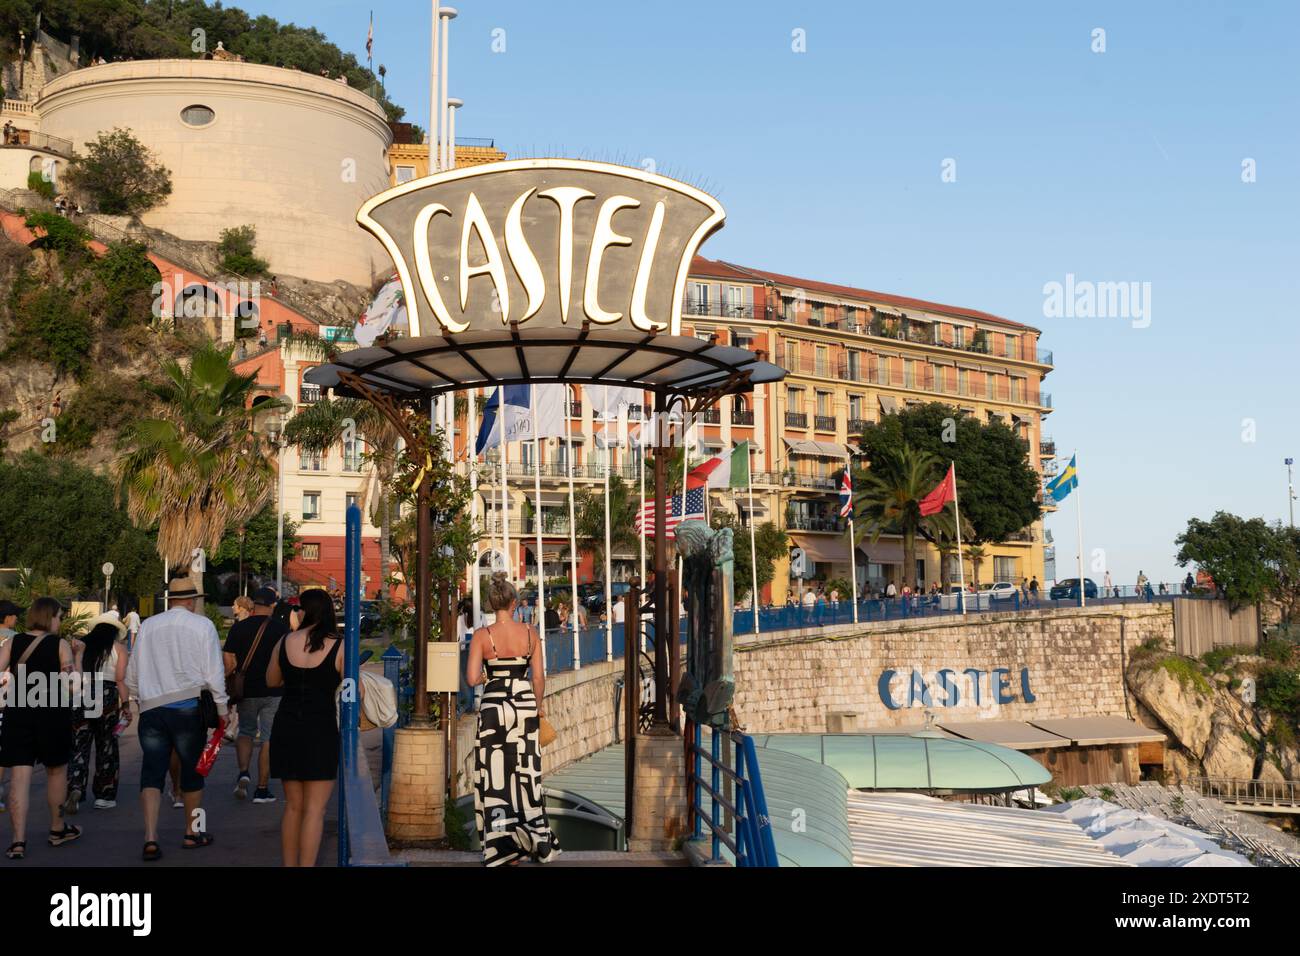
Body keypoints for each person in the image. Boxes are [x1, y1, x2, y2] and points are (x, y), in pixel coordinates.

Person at [125, 577, 227, 862]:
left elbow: (133, 671)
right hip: (187, 707)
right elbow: (213, 672)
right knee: (193, 772)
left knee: (152, 772)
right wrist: (222, 709)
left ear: (170, 601)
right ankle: (192, 833)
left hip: (151, 708)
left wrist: (137, 696)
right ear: (192, 600)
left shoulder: (149, 625)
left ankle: (150, 837)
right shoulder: (202, 625)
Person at [465, 573, 560, 866]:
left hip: (494, 705)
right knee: (526, 775)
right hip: (523, 704)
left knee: (496, 778)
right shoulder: (530, 633)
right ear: (515, 602)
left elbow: (470, 679)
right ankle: (535, 840)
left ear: (493, 605)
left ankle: (502, 849)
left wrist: (487, 676)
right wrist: (538, 706)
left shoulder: (482, 636)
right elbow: (539, 678)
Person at [266, 588, 345, 867]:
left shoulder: (285, 641)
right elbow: (351, 689)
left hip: (287, 725)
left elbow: (272, 681)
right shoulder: (340, 645)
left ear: (304, 612)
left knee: (293, 807)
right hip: (320, 729)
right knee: (315, 810)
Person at [0, 597, 81, 859]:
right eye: (59, 616)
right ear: (49, 617)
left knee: (20, 776)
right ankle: (57, 829)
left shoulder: (13, 642)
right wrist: (77, 659)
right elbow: (72, 686)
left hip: (18, 711)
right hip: (52, 713)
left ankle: (18, 840)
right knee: (56, 771)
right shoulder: (61, 645)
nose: (60, 621)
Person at [223, 587, 287, 804]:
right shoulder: (281, 628)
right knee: (268, 738)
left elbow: (229, 662)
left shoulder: (239, 628)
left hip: (246, 690)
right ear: (271, 606)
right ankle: (262, 789)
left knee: (246, 731)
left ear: (253, 605)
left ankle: (243, 772)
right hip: (274, 690)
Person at [66, 613, 129, 812]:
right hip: (107, 695)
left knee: (78, 745)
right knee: (106, 745)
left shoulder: (80, 645)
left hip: (81, 694)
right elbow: (120, 679)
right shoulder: (118, 648)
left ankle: (75, 788)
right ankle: (104, 795)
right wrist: (126, 705)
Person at [0, 599, 20, 812]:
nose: (16, 618)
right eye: (15, 615)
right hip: (7, 700)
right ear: (7, 618)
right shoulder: (15, 640)